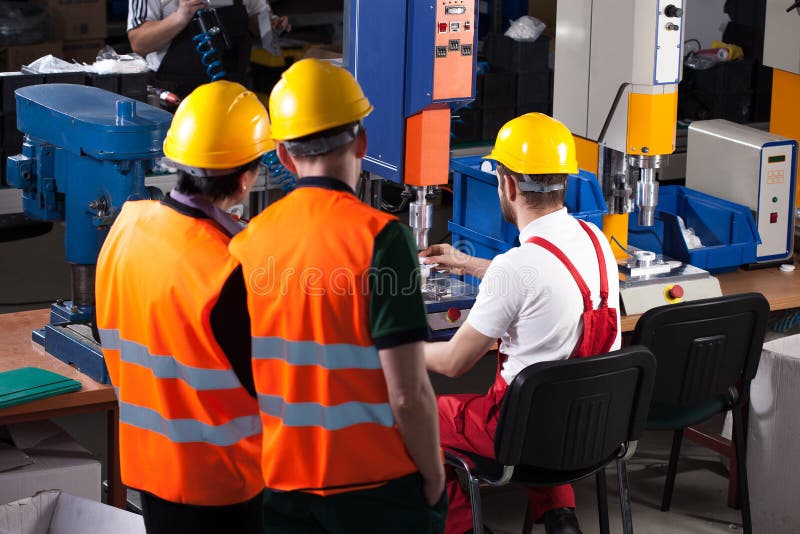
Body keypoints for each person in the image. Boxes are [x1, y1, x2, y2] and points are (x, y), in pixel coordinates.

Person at [229, 58, 447, 534]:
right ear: (362, 142)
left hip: (282, 484)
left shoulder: (247, 241)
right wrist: (433, 473)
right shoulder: (382, 239)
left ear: (284, 157)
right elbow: (409, 393)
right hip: (377, 488)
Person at [420, 113, 621, 534]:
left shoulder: (516, 268)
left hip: (522, 434)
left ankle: (462, 527)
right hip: (591, 425)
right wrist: (469, 264)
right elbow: (542, 278)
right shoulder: (595, 240)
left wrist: (397, 349)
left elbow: (456, 362)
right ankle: (559, 518)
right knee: (549, 393)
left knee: (415, 415)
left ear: (507, 185)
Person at [95, 81, 274, 534]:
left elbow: (112, 335)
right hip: (222, 486)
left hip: (149, 472)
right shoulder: (228, 268)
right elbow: (273, 385)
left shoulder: (126, 228)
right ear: (246, 177)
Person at [127, 0, 290, 97]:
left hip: (234, 95)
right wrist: (180, 17)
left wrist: (272, 27)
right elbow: (139, 43)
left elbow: (259, 20)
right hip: (176, 97)